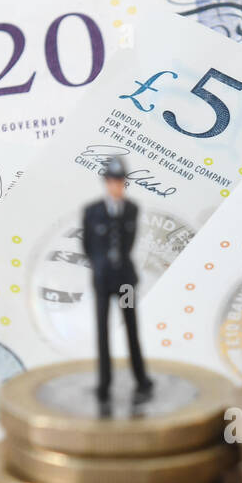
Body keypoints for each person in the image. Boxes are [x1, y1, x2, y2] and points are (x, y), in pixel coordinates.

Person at [81, 157, 152, 402]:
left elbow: (130, 242)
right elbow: (88, 245)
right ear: (106, 183)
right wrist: (101, 266)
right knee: (102, 331)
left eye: (120, 182)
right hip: (102, 279)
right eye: (112, 182)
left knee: (132, 328)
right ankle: (104, 383)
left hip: (126, 279)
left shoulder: (132, 208)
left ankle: (141, 378)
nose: (116, 186)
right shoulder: (92, 211)